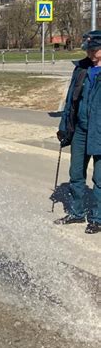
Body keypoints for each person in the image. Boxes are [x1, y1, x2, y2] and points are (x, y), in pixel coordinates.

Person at [55, 30, 101, 234]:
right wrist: (64, 127)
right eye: (88, 49)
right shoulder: (81, 69)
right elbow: (70, 102)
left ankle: (98, 218)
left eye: (94, 49)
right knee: (76, 173)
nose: (90, 53)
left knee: (100, 179)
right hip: (80, 130)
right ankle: (76, 212)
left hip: (100, 132)